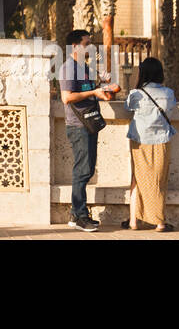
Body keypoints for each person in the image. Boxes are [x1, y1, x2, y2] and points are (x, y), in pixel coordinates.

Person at [58, 29, 116, 232]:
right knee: (82, 170)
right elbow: (67, 97)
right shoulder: (68, 68)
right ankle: (80, 215)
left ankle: (77, 214)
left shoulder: (85, 68)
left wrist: (104, 84)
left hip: (89, 123)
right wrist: (93, 91)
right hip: (78, 125)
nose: (90, 47)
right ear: (74, 46)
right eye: (86, 44)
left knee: (87, 169)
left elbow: (91, 93)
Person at [122, 57, 177, 233]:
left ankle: (133, 221)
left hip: (139, 141)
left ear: (143, 73)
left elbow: (127, 107)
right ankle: (159, 222)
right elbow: (172, 108)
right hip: (161, 140)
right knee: (159, 180)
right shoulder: (168, 93)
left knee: (137, 178)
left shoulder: (136, 94)